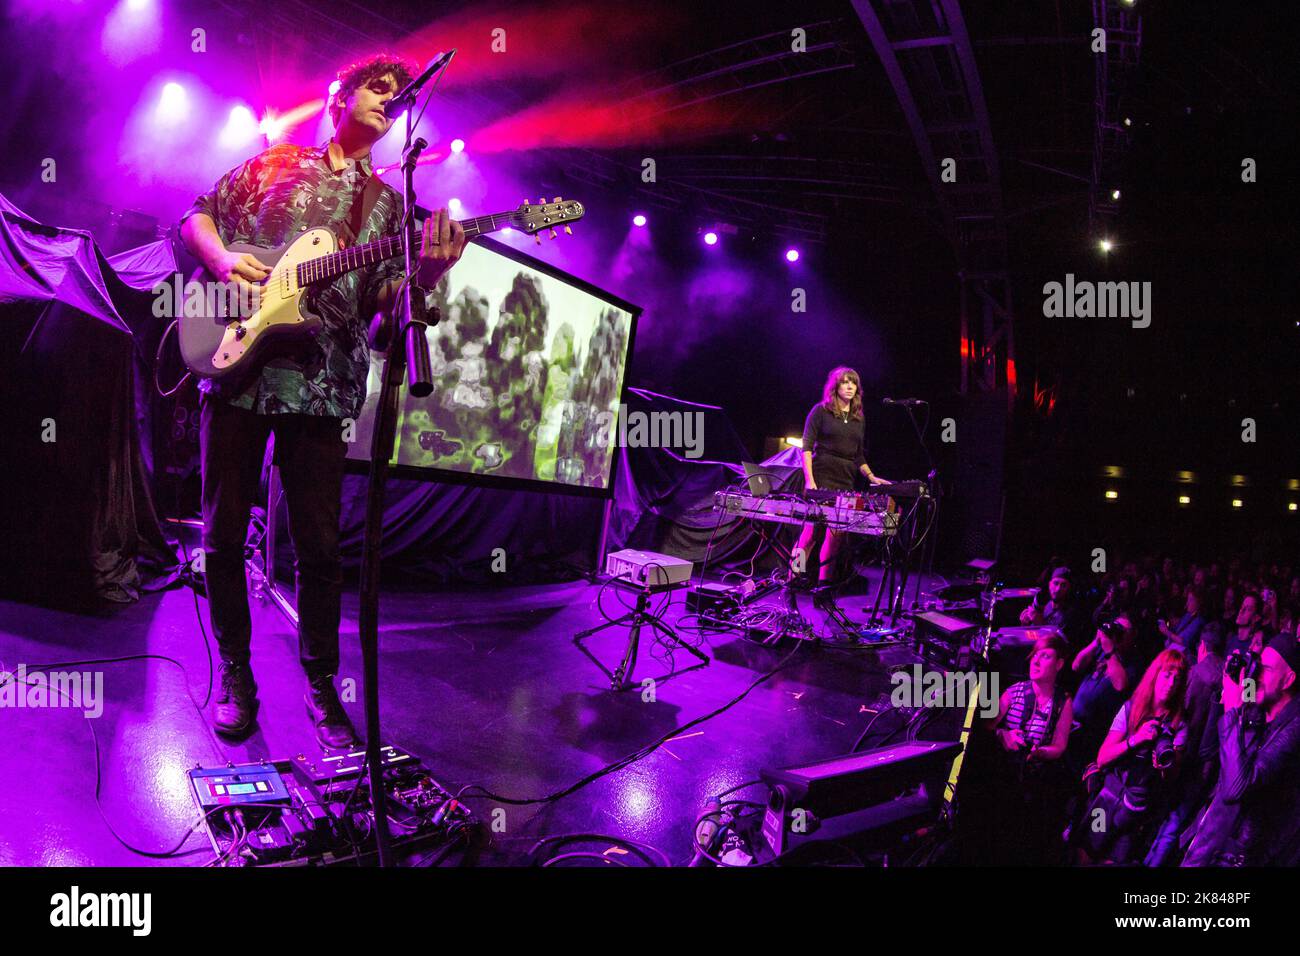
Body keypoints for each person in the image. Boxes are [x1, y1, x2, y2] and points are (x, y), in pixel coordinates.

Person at [179, 54, 468, 747]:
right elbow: (196, 215)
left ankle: (320, 684)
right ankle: (236, 675)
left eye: (398, 95)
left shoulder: (392, 205)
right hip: (239, 367)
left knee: (319, 548)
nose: (390, 100)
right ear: (339, 95)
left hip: (323, 383)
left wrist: (428, 270)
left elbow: (383, 303)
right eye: (379, 86)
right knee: (221, 536)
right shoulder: (271, 164)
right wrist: (221, 261)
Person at [1182, 634, 1300, 866]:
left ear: (1287, 680)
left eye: (1265, 668)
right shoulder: (1261, 711)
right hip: (1211, 838)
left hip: (1233, 856)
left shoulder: (1294, 727)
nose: (1257, 674)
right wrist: (1231, 695)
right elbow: (1208, 751)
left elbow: (1236, 787)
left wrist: (1233, 711)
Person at [1076, 649, 1189, 864]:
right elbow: (1102, 758)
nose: (1171, 683)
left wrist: (1165, 766)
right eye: (1167, 675)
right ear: (1155, 675)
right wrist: (1136, 740)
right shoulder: (1130, 709)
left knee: (1115, 861)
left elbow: (1173, 777)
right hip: (1107, 801)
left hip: (1137, 811)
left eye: (1177, 679)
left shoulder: (1180, 726)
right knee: (1087, 851)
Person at [792, 367, 888, 585]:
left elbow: (858, 455)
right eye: (845, 382)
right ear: (835, 386)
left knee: (836, 536)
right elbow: (806, 447)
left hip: (845, 481)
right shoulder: (820, 411)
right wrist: (811, 481)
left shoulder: (858, 419)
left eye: (853, 383)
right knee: (809, 534)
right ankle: (793, 579)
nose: (849, 386)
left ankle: (824, 585)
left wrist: (872, 477)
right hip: (821, 477)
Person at [984, 633, 1075, 864]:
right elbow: (984, 728)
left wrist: (1040, 752)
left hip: (1033, 786)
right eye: (1035, 655)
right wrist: (1003, 734)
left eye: (1045, 656)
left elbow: (1060, 745)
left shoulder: (1063, 702)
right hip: (1003, 780)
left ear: (1059, 664)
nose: (1035, 661)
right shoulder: (1013, 692)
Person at [1068, 615, 1143, 772]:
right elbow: (1076, 666)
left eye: (1123, 630)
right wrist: (1096, 642)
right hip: (1073, 722)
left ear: (1133, 635)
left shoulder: (1133, 661)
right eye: (1116, 627)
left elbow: (1121, 685)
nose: (1118, 633)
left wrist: (1110, 652)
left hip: (1094, 731)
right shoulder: (1102, 651)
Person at [1159, 586, 1207, 654]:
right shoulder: (1187, 615)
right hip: (1174, 648)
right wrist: (1167, 626)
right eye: (1188, 599)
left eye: (1191, 600)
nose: (1187, 603)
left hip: (1183, 654)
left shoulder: (1199, 621)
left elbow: (1184, 642)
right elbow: (1176, 630)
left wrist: (1167, 632)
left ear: (1199, 602)